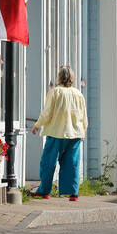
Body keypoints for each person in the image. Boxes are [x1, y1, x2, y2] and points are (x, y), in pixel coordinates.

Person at [31, 65, 88, 199]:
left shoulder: (55, 92)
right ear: (72, 79)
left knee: (48, 162)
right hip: (75, 134)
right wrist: (83, 131)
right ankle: (73, 193)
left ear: (59, 78)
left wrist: (37, 125)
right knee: (72, 164)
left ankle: (44, 190)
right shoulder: (78, 94)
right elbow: (83, 116)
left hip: (56, 132)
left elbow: (47, 113)